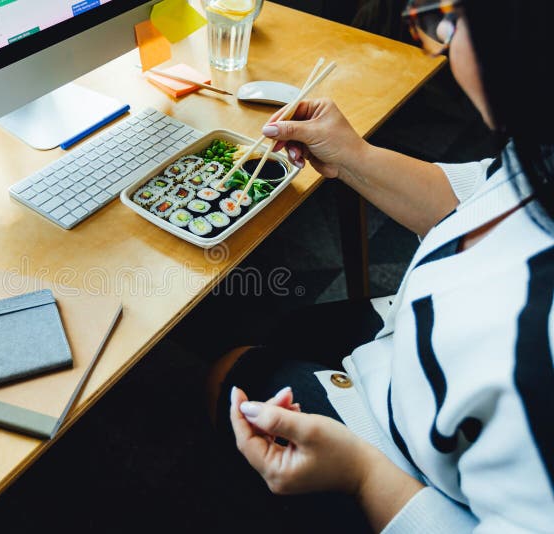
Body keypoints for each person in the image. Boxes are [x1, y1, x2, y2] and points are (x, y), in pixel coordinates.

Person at [207, 0, 554, 531]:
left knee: (228, 370)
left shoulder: (533, 355)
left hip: (402, 465)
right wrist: (353, 156)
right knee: (291, 327)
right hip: (407, 342)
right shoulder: (540, 151)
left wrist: (362, 475)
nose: (439, 40)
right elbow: (476, 197)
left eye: (448, 19)